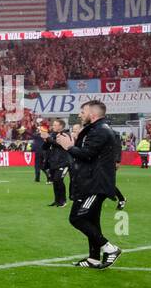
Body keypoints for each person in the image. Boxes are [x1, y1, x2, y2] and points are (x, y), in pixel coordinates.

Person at [56, 99, 122, 269]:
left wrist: (69, 147)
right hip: (92, 182)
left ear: (92, 115)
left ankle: (110, 248)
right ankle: (94, 258)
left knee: (77, 218)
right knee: (92, 221)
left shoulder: (100, 131)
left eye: (83, 112)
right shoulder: (97, 129)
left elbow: (87, 155)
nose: (79, 115)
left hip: (95, 184)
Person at [42, 118, 70, 207]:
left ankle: (63, 200)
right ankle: (57, 200)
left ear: (61, 126)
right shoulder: (53, 135)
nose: (52, 126)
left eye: (55, 125)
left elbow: (60, 145)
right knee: (55, 181)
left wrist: (48, 138)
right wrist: (46, 140)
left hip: (63, 161)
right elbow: (45, 147)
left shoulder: (65, 134)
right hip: (54, 162)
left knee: (59, 180)